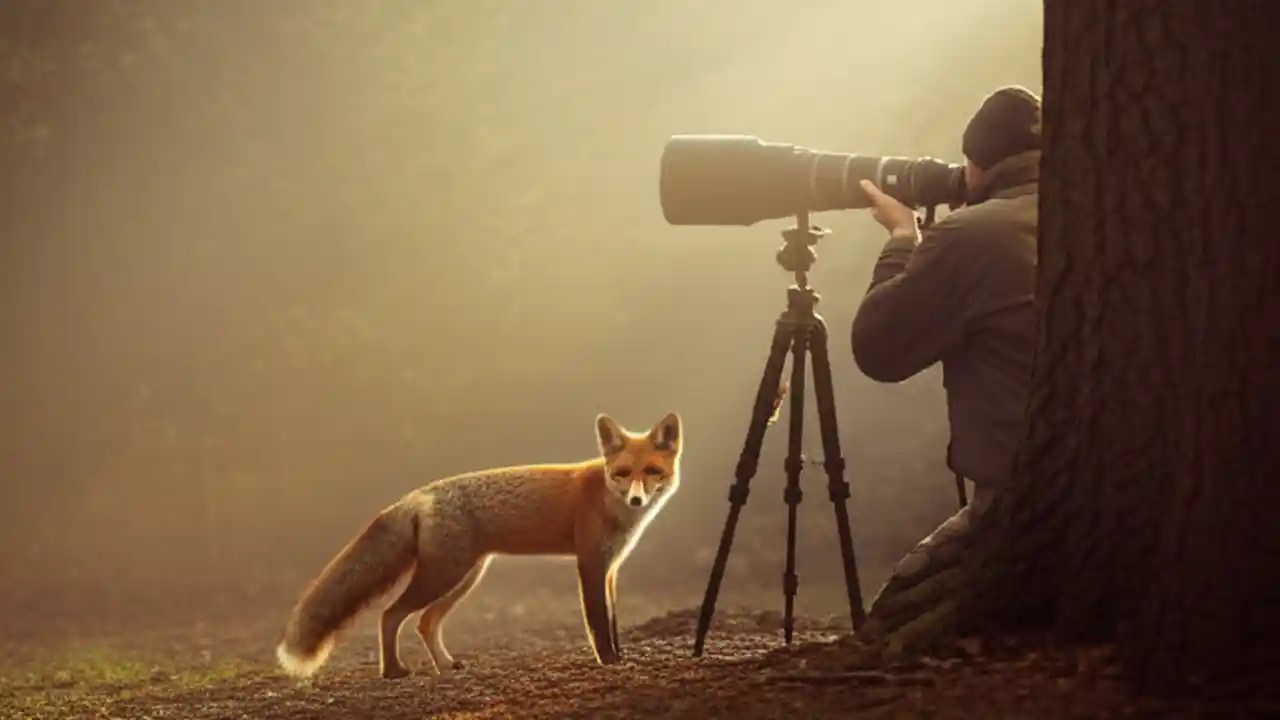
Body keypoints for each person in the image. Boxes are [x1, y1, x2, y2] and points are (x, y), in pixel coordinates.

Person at [849, 85, 1042, 636]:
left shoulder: (969, 235)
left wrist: (903, 239)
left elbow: (880, 349)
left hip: (1018, 493)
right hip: (1125, 481)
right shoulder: (1105, 222)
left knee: (892, 624)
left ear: (979, 164)